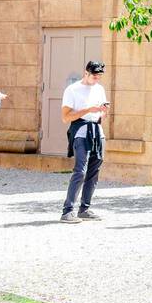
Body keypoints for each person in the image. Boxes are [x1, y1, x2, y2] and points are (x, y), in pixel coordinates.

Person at [60, 60, 108, 224]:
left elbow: (101, 115)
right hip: (81, 131)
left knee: (94, 171)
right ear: (86, 73)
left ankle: (84, 209)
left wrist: (103, 111)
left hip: (97, 131)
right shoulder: (72, 90)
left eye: (99, 77)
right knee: (80, 171)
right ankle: (67, 211)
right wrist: (88, 109)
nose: (97, 79)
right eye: (94, 76)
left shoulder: (100, 89)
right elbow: (65, 117)